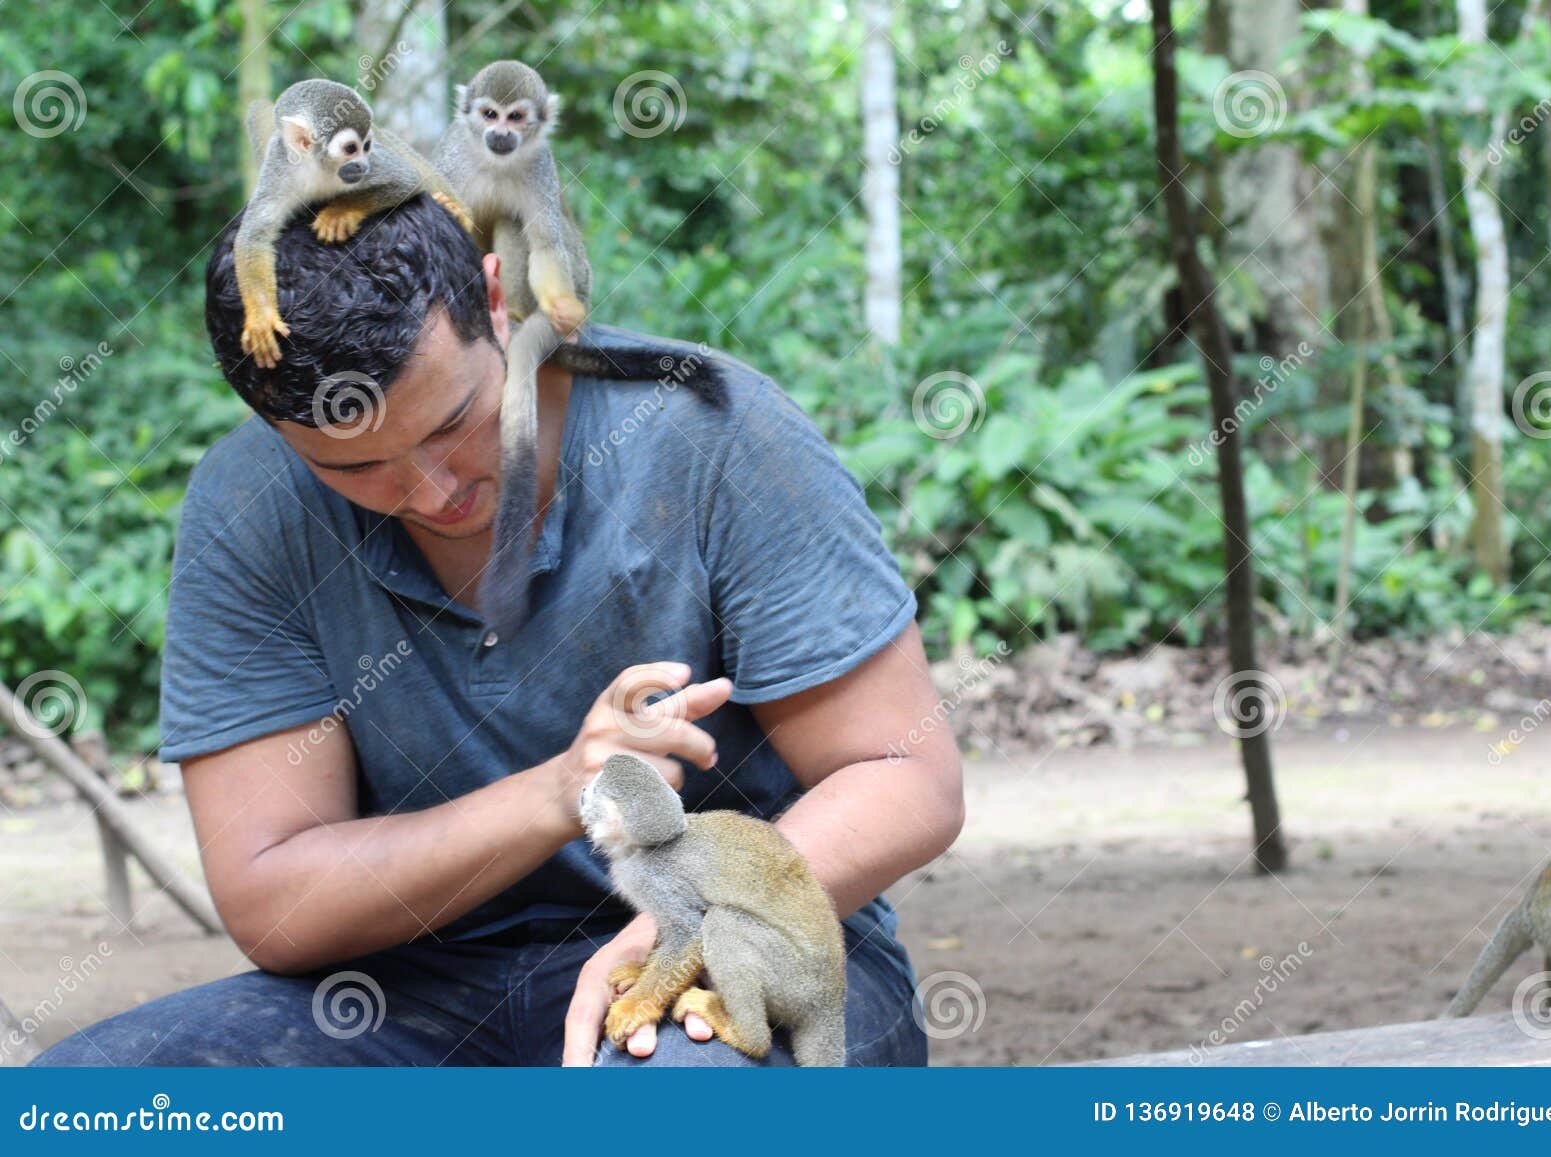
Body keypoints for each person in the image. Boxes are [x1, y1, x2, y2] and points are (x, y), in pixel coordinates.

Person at [33, 195, 964, 1067]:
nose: (434, 492)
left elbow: (906, 775)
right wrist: (562, 791)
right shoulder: (250, 506)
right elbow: (276, 900)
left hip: (751, 939)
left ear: (493, 299)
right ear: (274, 428)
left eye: (457, 424)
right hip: (402, 989)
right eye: (357, 467)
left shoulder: (713, 432)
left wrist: (665, 939)